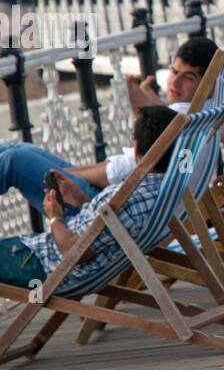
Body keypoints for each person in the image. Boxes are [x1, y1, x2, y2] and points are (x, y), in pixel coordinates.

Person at [0, 36, 219, 217]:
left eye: (188, 77)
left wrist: (63, 175)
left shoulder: (182, 124)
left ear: (209, 85)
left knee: (14, 160)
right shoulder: (204, 116)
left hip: (107, 212)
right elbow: (148, 157)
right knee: (20, 150)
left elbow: (116, 172)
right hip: (145, 209)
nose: (174, 82)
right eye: (173, 72)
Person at [0, 106, 177, 292]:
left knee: (15, 158)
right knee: (19, 152)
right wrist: (82, 200)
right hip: (58, 255)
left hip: (47, 265)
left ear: (137, 147)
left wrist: (55, 217)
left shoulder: (127, 195)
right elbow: (109, 226)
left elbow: (73, 253)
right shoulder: (164, 189)